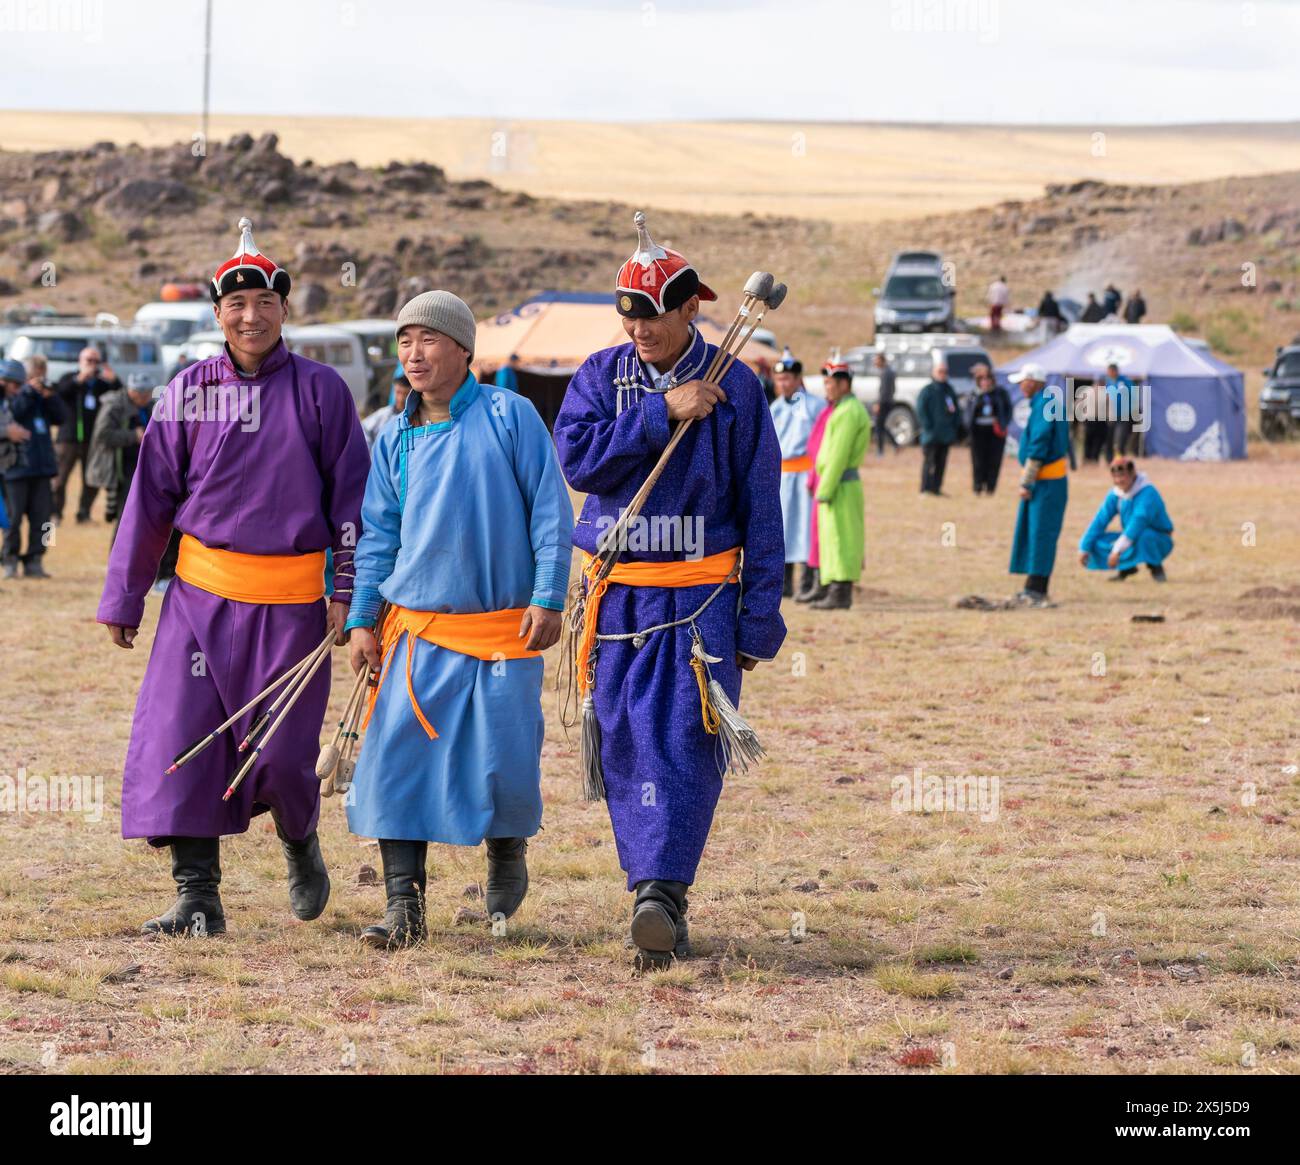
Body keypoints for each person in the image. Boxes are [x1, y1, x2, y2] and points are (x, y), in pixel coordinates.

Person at [97, 217, 371, 938]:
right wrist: (126, 595)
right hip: (198, 599)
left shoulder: (322, 393)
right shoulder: (187, 392)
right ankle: (197, 895)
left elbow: (351, 501)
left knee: (282, 752)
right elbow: (150, 498)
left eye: (265, 303)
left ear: (284, 309)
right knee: (182, 740)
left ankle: (299, 841)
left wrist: (348, 589)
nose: (251, 316)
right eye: (236, 305)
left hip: (288, 606)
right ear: (218, 314)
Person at [553, 212, 786, 968]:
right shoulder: (598, 376)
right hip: (619, 596)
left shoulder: (737, 386)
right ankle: (650, 892)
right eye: (629, 313)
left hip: (702, 601)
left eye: (655, 313)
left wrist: (758, 620)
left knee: (688, 740)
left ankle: (663, 894)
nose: (641, 328)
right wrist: (661, 412)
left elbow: (762, 508)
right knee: (622, 739)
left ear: (692, 307)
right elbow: (580, 463)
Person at [345, 292, 573, 949]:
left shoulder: (511, 415)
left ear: (463, 348)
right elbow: (379, 534)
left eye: (429, 339)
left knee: (502, 761)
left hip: (503, 627)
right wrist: (364, 617)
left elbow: (549, 510)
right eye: (404, 341)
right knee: (395, 763)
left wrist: (549, 595)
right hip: (416, 630)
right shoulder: (394, 433)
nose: (414, 354)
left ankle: (506, 851)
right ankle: (403, 908)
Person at [1008, 362, 1070, 606]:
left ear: (1033, 381)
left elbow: (1040, 445)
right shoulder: (1047, 402)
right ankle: (1033, 585)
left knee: (1041, 533)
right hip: (1047, 481)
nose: (1021, 386)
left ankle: (1037, 588)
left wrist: (1027, 481)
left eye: (1023, 382)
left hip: (1045, 481)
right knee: (1037, 533)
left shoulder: (1046, 405)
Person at [811, 361, 870, 610]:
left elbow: (838, 455)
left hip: (839, 486)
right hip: (837, 484)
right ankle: (835, 588)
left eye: (831, 383)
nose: (827, 388)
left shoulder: (848, 412)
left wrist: (825, 489)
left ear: (844, 384)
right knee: (834, 537)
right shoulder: (844, 409)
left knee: (842, 538)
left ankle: (840, 592)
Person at [2, 357, 64, 580]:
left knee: (45, 521)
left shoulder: (42, 398)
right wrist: (28, 392)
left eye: (42, 375)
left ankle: (36, 559)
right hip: (16, 469)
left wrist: (51, 397)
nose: (38, 380)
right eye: (33, 376)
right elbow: (13, 413)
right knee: (13, 519)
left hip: (42, 468)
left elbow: (62, 418)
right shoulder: (11, 397)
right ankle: (9, 560)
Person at [769, 353, 824, 599]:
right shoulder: (775, 407)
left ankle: (808, 581)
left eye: (788, 378)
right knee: (784, 530)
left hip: (805, 474)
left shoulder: (813, 405)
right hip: (783, 476)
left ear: (798, 379)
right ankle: (785, 582)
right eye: (779, 379)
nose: (784, 384)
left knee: (805, 529)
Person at [87, 371, 156, 547]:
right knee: (126, 517)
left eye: (149, 394)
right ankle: (118, 562)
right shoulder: (114, 404)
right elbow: (102, 435)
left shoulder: (149, 405)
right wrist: (133, 436)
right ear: (133, 392)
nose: (148, 398)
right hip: (121, 469)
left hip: (145, 468)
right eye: (145, 395)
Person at [1079, 456, 1173, 582]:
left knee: (1145, 537)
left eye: (1122, 476)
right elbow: (1100, 520)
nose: (1119, 480)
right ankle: (1127, 567)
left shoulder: (1148, 493)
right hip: (1131, 535)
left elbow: (1138, 523)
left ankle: (1155, 566)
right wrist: (1084, 547)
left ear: (1132, 474)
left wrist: (1116, 551)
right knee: (1098, 541)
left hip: (1157, 537)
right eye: (1115, 477)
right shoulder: (1116, 494)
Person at [54, 346, 118, 524]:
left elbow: (119, 396)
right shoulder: (69, 378)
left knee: (91, 479)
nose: (92, 364)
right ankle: (55, 513)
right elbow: (61, 392)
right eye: (89, 360)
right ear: (80, 361)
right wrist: (79, 379)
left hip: (93, 439)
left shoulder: (101, 384)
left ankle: (84, 514)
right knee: (59, 478)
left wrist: (114, 381)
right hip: (69, 437)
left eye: (96, 361)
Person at [797, 374, 838, 606]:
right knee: (812, 536)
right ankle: (816, 584)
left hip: (823, 478)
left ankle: (824, 584)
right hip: (814, 475)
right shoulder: (827, 412)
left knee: (821, 536)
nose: (827, 388)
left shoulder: (833, 411)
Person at [917, 361, 961, 495]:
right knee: (929, 462)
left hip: (945, 434)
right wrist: (927, 425)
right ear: (934, 373)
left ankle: (936, 488)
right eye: (940, 371)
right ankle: (925, 488)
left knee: (941, 463)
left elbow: (956, 410)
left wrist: (954, 427)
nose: (943, 374)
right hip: (931, 434)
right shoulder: (928, 390)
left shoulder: (949, 390)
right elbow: (921, 409)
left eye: (945, 372)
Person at [966, 364, 1011, 495]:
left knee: (994, 460)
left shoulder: (1000, 393)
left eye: (987, 379)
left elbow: (1008, 410)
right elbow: (967, 413)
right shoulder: (974, 394)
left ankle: (991, 487)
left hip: (995, 431)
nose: (985, 382)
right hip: (978, 432)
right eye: (982, 379)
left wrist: (1003, 423)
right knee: (978, 460)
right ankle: (977, 486)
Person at [361, 365, 411, 451]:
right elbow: (363, 429)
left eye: (405, 394)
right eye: (398, 392)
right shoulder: (384, 414)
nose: (401, 398)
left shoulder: (417, 417)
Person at [1103, 362, 1138, 460]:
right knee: (1110, 437)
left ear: (1115, 371)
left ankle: (1121, 458)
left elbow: (1134, 394)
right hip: (1113, 414)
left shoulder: (1125, 380)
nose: (1109, 373)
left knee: (1121, 438)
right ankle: (1109, 459)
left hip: (1125, 415)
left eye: (1110, 371)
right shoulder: (1109, 382)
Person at [872, 352, 898, 455]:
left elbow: (884, 391)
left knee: (879, 426)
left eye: (876, 360)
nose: (875, 363)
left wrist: (879, 403)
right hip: (888, 401)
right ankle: (895, 444)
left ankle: (880, 450)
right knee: (881, 425)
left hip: (884, 403)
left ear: (882, 360)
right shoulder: (889, 371)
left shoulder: (886, 373)